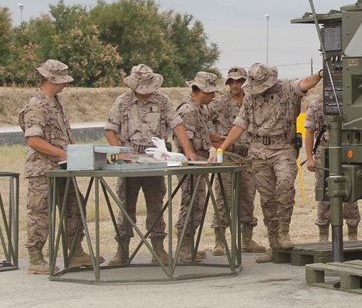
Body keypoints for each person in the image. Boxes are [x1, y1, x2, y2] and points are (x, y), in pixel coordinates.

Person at [217, 62, 322, 262]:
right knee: (267, 199)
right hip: (259, 151)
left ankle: (284, 232)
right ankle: (274, 244)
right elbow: (240, 124)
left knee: (284, 185)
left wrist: (320, 73)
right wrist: (223, 147)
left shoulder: (287, 89)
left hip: (283, 148)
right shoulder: (250, 97)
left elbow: (306, 83)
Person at [105, 64, 198, 266]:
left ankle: (158, 249)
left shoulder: (162, 101)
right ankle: (122, 251)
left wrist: (188, 151)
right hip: (130, 162)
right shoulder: (122, 102)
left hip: (155, 160)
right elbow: (110, 130)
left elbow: (177, 125)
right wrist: (119, 152)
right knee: (126, 206)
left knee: (155, 204)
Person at [18, 59, 96, 274]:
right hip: (43, 169)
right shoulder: (37, 104)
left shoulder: (57, 103)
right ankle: (36, 258)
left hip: (63, 168)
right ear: (51, 79)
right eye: (62, 80)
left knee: (74, 206)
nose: (65, 84)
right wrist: (63, 154)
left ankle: (75, 252)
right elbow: (34, 140)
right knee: (40, 213)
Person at [207, 66, 266, 255]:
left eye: (239, 81)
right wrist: (213, 138)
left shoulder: (253, 101)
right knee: (224, 198)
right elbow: (199, 120)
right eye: (231, 81)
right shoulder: (219, 103)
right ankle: (219, 240)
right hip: (227, 156)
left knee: (248, 197)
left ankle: (247, 239)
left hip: (248, 156)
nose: (235, 85)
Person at [175, 71, 222, 262]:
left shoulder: (200, 109)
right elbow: (185, 138)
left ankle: (189, 246)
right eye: (211, 92)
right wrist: (193, 155)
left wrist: (217, 139)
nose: (213, 96)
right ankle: (184, 248)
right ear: (201, 91)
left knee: (198, 204)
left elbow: (201, 132)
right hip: (190, 164)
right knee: (191, 204)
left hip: (200, 162)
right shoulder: (188, 110)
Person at [303, 95, 359, 241]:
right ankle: (323, 233)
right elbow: (309, 132)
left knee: (350, 190)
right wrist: (309, 158)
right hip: (324, 152)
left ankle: (352, 232)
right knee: (324, 192)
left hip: (346, 150)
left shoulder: (350, 100)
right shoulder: (317, 104)